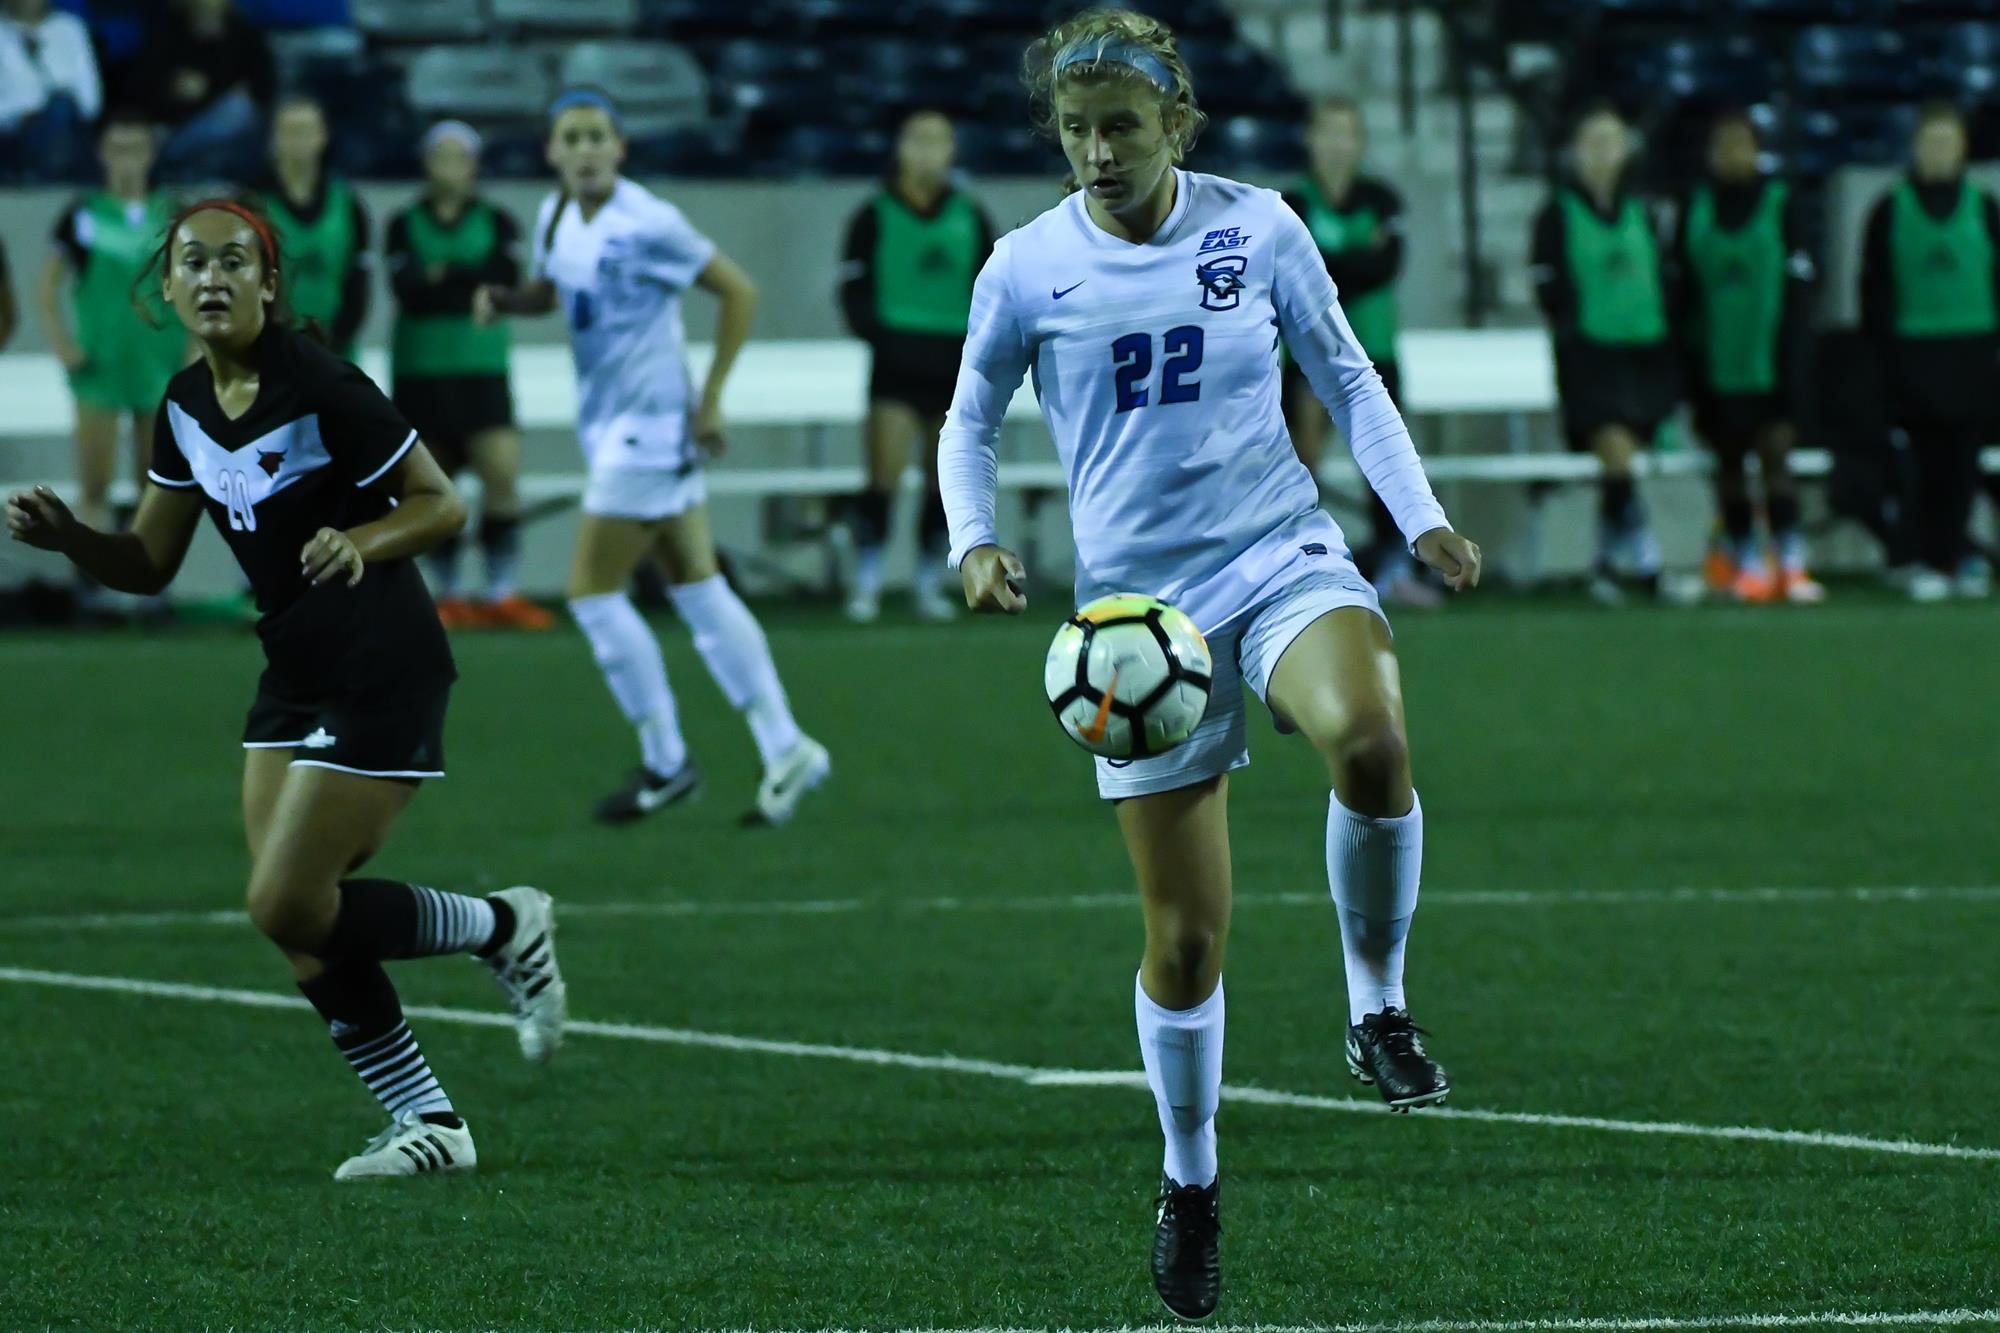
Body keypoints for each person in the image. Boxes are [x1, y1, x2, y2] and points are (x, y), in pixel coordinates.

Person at [939, 11, 1482, 1321]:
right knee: (1184, 943)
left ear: (1177, 125)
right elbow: (967, 418)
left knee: (1373, 743)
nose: (1096, 153)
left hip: (1277, 548)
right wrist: (974, 542)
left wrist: (1419, 518)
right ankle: (1191, 1182)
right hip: (1138, 625)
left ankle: (1378, 1006)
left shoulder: (1262, 225)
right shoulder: (1025, 266)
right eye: (1075, 131)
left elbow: (1345, 377)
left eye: (1120, 126)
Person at [5, 198, 567, 1180]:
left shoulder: (321, 384)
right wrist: (72, 541)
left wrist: (359, 539)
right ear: (167, 288)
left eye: (236, 261)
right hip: (295, 669)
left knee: (283, 901)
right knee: (299, 918)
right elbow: (147, 562)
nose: (213, 277)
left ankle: (502, 925)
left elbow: (442, 503)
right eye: (193, 263)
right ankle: (431, 1120)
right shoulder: (180, 405)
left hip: (380, 662)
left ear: (270, 284)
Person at [475, 91, 830, 827]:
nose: (584, 150)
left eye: (596, 137)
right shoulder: (556, 215)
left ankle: (667, 759)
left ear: (620, 148)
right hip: (610, 425)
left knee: (592, 594)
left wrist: (711, 399)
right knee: (698, 590)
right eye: (570, 137)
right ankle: (786, 742)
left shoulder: (648, 221)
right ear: (552, 152)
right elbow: (555, 293)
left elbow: (738, 289)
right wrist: (507, 301)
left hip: (653, 426)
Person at [835, 109, 997, 623]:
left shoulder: (970, 214)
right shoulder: (873, 213)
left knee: (940, 482)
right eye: (918, 141)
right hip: (896, 363)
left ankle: (929, 581)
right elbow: (852, 288)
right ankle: (867, 580)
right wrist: (880, 336)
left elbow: (990, 289)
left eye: (940, 141)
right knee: (882, 477)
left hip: (951, 363)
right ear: (900, 149)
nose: (929, 152)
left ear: (953, 151)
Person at [386, 120, 549, 631]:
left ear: (474, 165)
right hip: (421, 370)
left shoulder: (498, 222)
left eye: (460, 158)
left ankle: (502, 589)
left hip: (482, 370)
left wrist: (446, 276)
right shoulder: (402, 222)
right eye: (441, 157)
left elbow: (505, 284)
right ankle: (449, 592)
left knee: (500, 473)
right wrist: (466, 279)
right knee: (433, 484)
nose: (450, 169)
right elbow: (410, 290)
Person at [1281, 96, 1437, 610]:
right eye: (1327, 131)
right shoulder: (1292, 205)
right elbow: (1293, 277)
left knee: (1383, 465)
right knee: (1302, 464)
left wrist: (1326, 269)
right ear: (1310, 139)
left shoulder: (1382, 200)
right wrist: (1351, 265)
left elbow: (1384, 267)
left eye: (1346, 132)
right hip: (1310, 355)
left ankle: (1393, 566)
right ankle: (1299, 567)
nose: (1336, 144)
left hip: (1373, 352)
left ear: (1360, 142)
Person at [35, 110, 188, 616]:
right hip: (99, 368)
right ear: (103, 154)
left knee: (153, 481)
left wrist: (193, 351)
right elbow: (47, 289)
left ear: (150, 154)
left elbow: (197, 288)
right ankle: (93, 585)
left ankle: (146, 579)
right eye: (117, 148)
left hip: (159, 365)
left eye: (135, 148)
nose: (126, 159)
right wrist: (62, 345)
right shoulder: (82, 214)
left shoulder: (174, 215)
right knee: (95, 480)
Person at [1674, 110, 1824, 605]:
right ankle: (1746, 560)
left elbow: (1802, 291)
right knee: (1730, 469)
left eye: (1742, 143)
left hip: (1772, 360)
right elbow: (1683, 296)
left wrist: (1794, 359)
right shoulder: (1694, 208)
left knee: (1777, 459)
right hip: (1715, 365)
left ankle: (1793, 561)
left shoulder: (1783, 205)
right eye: (1724, 144)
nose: (1733, 154)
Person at [1530, 103, 1677, 604]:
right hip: (1590, 359)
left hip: (1646, 356)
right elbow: (1548, 289)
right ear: (1575, 152)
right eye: (1592, 141)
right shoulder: (1557, 214)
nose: (1602, 152)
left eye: (1611, 141)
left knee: (1623, 458)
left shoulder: (1646, 211)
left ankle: (1607, 561)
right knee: (1614, 445)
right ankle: (1646, 554)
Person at [1861, 102, 2000, 602]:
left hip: (1971, 355)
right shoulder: (1890, 208)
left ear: (1963, 148)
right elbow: (1873, 293)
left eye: (1948, 141)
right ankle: (1920, 557)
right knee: (1920, 467)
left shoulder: (1983, 207)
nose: (1939, 151)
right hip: (1913, 357)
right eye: (1931, 141)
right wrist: (1885, 362)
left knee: (1962, 467)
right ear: (1915, 146)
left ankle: (1952, 557)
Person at [257, 95, 369, 361]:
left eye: (306, 131)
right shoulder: (253, 206)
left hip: (336, 352)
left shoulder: (348, 204)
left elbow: (357, 284)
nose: (299, 140)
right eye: (290, 131)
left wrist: (334, 341)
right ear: (274, 139)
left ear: (323, 136)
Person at [146, 0, 274, 182]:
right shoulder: (166, 31)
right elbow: (143, 88)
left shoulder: (246, 35)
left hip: (229, 134)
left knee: (239, 110)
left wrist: (208, 89)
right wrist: (172, 86)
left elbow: (264, 90)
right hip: (175, 131)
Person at [0, 0, 100, 180]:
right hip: (10, 132)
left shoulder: (70, 28)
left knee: (61, 109)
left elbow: (91, 100)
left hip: (65, 125)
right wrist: (21, 115)